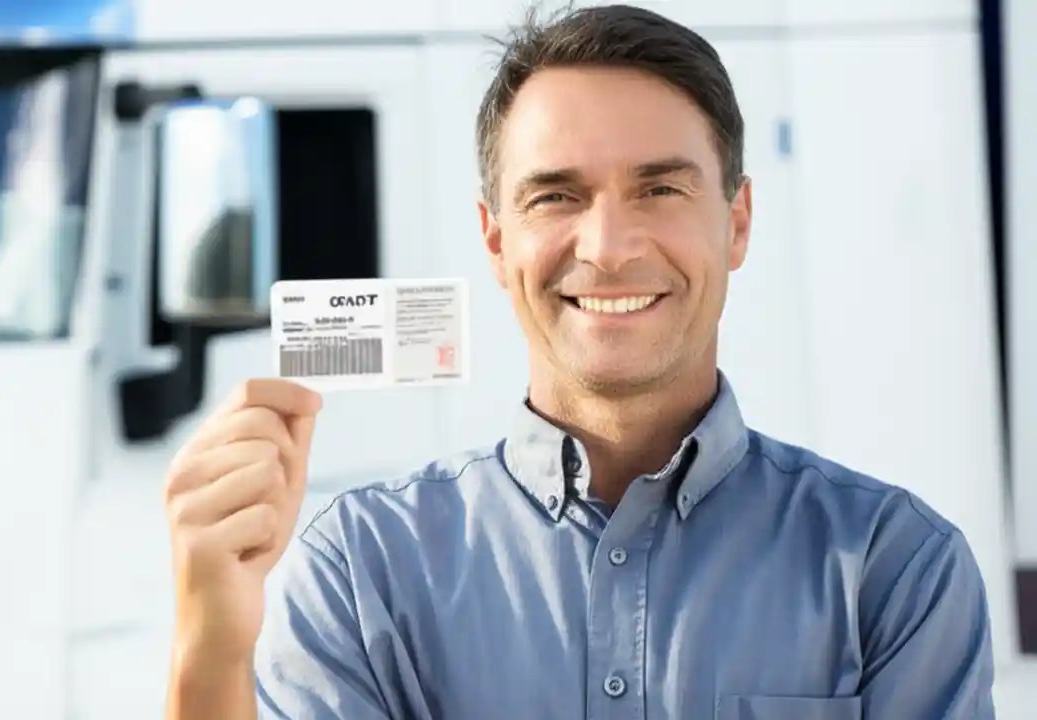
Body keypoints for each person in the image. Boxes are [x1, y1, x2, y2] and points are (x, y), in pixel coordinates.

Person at [162, 4, 996, 719]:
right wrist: (211, 649)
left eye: (660, 189)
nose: (607, 248)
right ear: (497, 239)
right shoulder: (360, 570)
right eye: (556, 195)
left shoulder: (895, 569)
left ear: (737, 222)